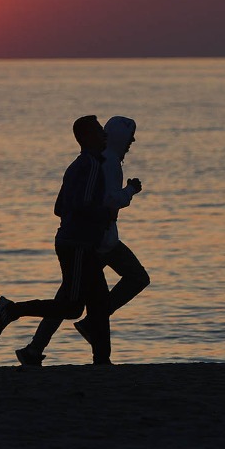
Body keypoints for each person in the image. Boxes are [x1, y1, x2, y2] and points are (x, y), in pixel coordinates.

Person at [0, 115, 113, 365]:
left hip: (77, 243)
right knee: (72, 307)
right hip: (78, 244)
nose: (105, 135)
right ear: (87, 137)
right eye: (100, 131)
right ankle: (11, 310)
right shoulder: (90, 165)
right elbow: (84, 204)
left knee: (99, 302)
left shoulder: (76, 166)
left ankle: (102, 362)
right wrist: (107, 212)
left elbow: (59, 208)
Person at [71, 115, 148, 346]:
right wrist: (131, 190)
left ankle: (35, 347)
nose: (131, 143)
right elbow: (111, 200)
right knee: (137, 278)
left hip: (98, 238)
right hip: (102, 240)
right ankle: (92, 323)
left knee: (70, 298)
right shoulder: (111, 162)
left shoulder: (100, 159)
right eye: (129, 139)